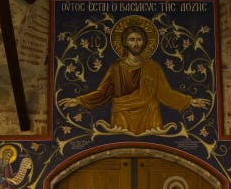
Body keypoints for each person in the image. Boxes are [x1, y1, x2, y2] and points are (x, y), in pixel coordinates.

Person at [58, 17, 209, 134]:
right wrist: (79, 100)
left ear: (144, 42)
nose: (135, 43)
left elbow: (165, 92)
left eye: (139, 39)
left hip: (149, 114)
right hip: (122, 114)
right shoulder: (116, 68)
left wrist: (189, 101)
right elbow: (103, 92)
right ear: (125, 43)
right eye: (132, 39)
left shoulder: (153, 67)